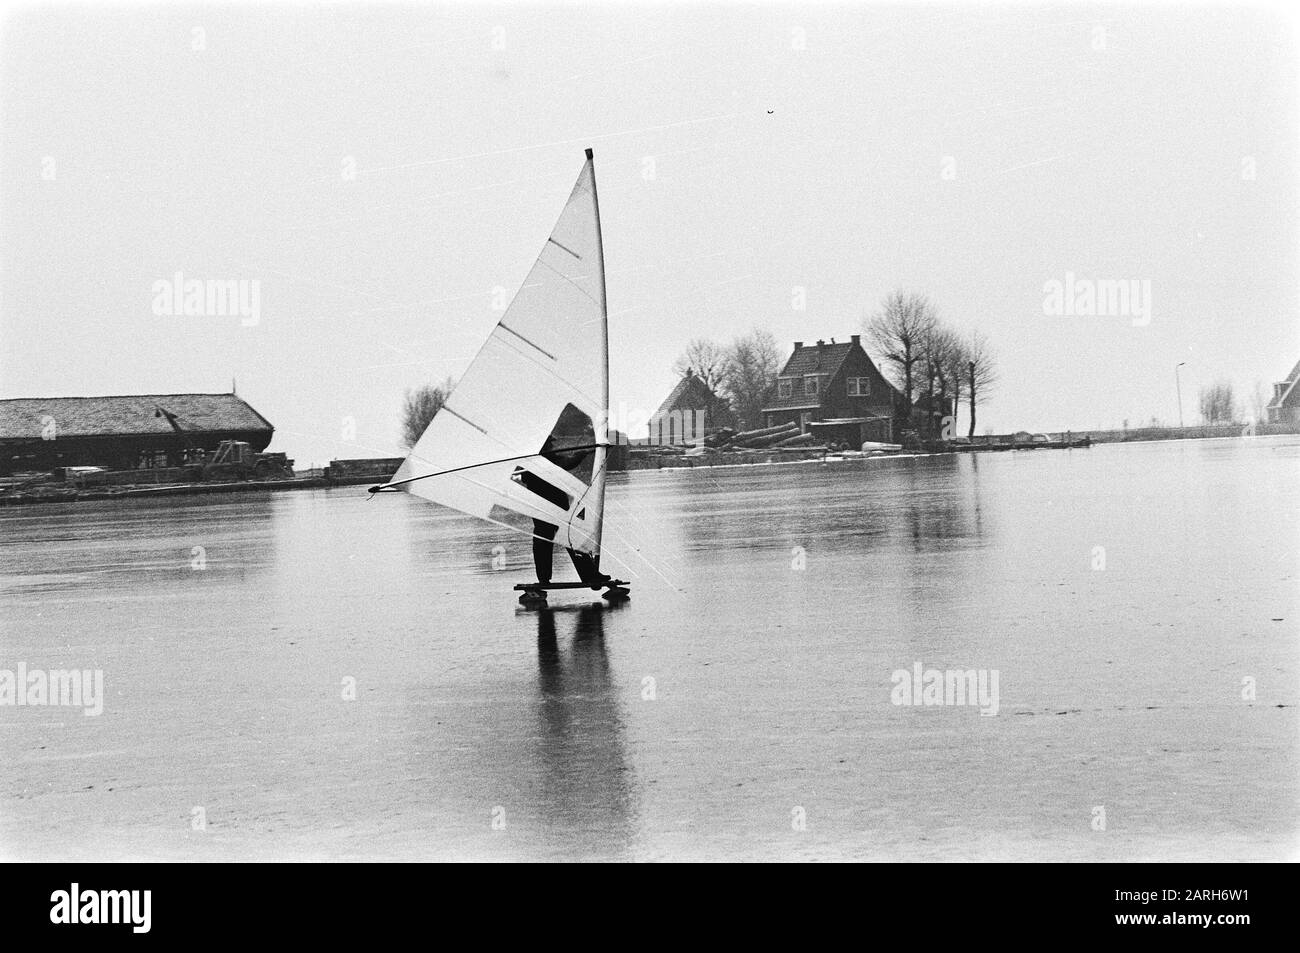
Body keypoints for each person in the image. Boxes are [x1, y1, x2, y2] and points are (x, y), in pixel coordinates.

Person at [515, 404, 610, 589]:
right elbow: (564, 464)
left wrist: (586, 452)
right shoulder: (535, 457)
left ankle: (589, 574)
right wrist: (584, 453)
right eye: (550, 442)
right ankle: (547, 579)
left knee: (567, 536)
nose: (553, 444)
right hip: (543, 506)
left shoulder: (545, 455)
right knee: (546, 538)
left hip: (554, 505)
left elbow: (565, 463)